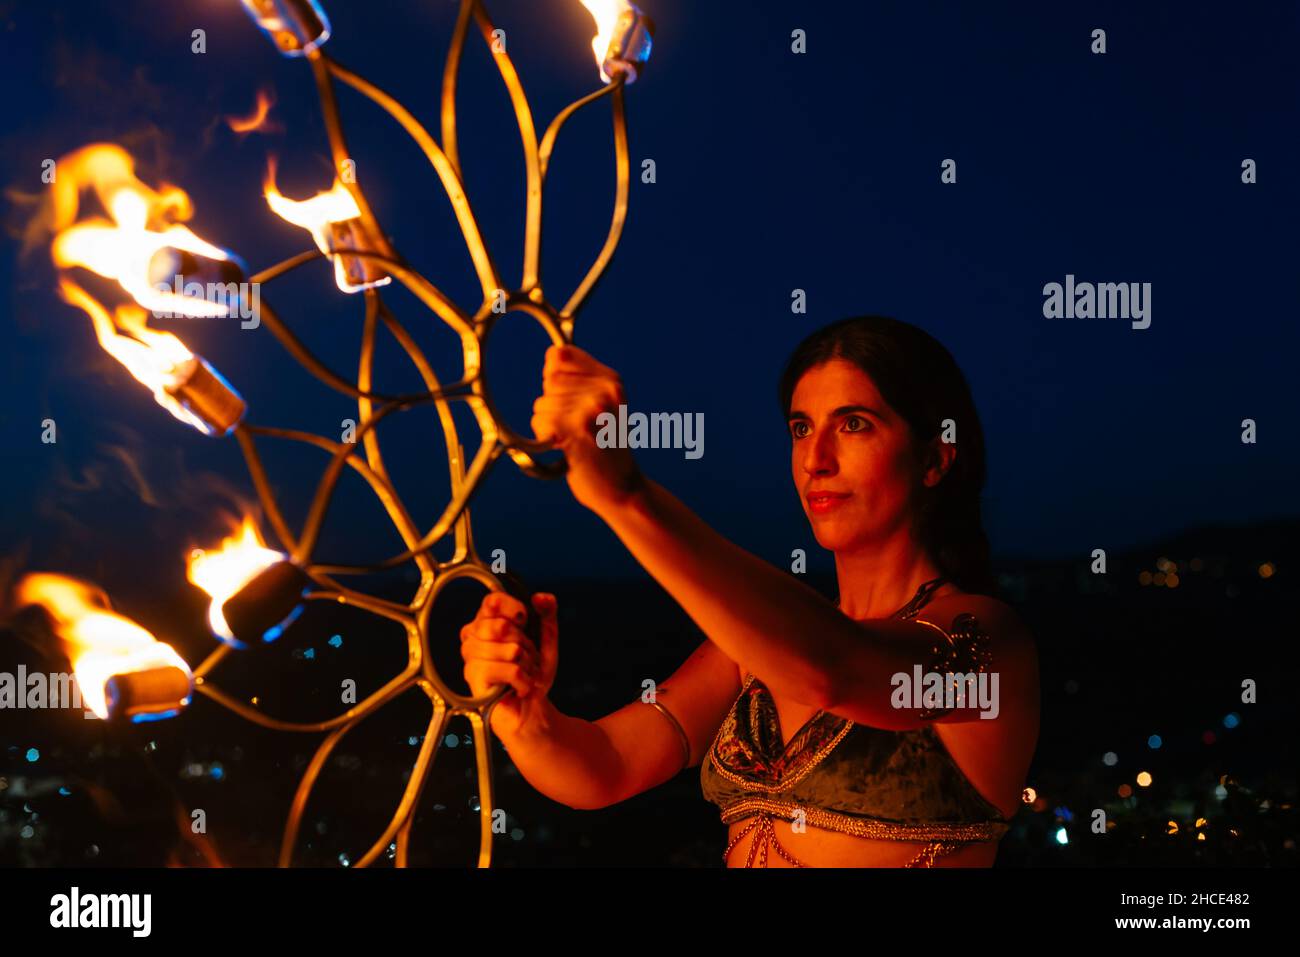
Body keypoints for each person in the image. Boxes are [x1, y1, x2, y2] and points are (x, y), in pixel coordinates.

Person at [460, 315, 1040, 867]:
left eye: (854, 424)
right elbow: (605, 767)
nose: (816, 459)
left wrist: (628, 498)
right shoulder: (751, 654)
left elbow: (832, 671)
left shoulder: (986, 645)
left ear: (934, 458)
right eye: (801, 428)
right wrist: (522, 715)